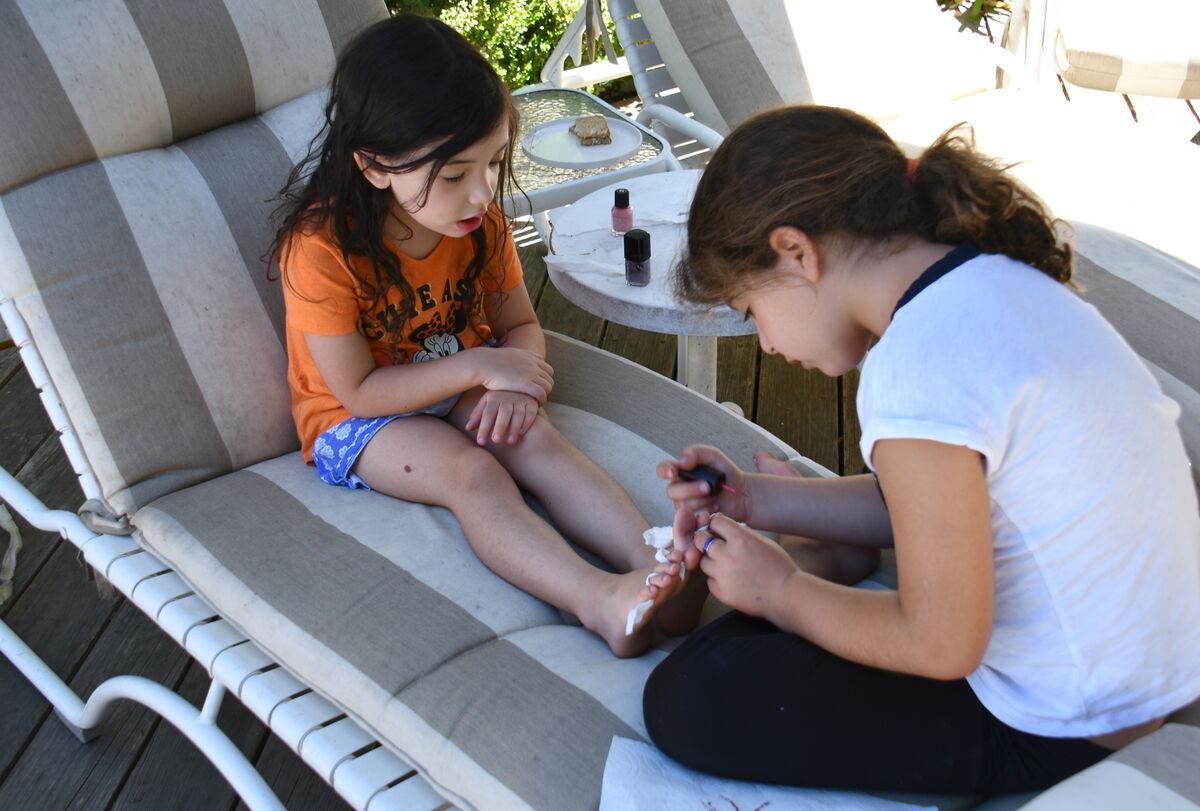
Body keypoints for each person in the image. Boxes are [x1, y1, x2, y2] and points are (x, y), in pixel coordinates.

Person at [644, 105, 1200, 793]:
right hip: (1150, 673)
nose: (766, 344)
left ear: (795, 251)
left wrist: (782, 590)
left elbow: (941, 643)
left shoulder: (914, 367)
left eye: (750, 310)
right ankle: (823, 561)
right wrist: (754, 497)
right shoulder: (995, 284)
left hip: (1063, 721)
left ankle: (817, 570)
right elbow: (931, 505)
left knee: (690, 695)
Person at [268, 15, 704, 658]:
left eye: (495, 161)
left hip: (461, 375)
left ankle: (658, 563)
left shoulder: (480, 222)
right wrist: (481, 369)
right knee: (472, 473)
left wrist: (517, 383)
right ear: (373, 165)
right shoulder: (321, 250)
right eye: (452, 176)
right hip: (355, 420)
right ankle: (597, 599)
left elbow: (520, 328)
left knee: (535, 440)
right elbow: (358, 391)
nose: (481, 192)